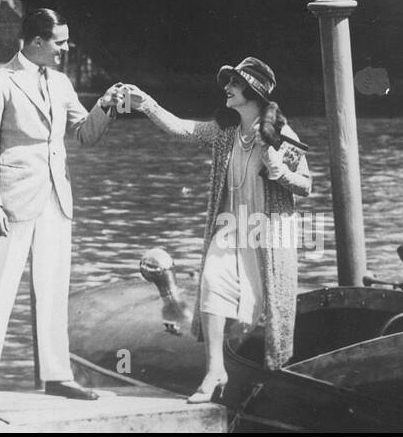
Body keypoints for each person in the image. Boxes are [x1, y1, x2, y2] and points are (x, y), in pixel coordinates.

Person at [126, 57, 311, 403]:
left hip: (266, 235)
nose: (226, 89)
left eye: (234, 84)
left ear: (252, 91)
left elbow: (306, 185)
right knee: (211, 286)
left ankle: (253, 378)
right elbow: (182, 128)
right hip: (228, 228)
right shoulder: (225, 133)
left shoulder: (281, 137)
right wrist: (146, 104)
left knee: (252, 313)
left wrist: (278, 172)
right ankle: (214, 371)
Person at [0, 7, 126, 402]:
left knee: (54, 288)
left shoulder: (61, 82)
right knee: (0, 288)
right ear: (37, 41)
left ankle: (57, 375)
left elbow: (84, 135)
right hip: (12, 202)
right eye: (60, 41)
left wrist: (105, 105)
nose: (66, 49)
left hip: (57, 196)